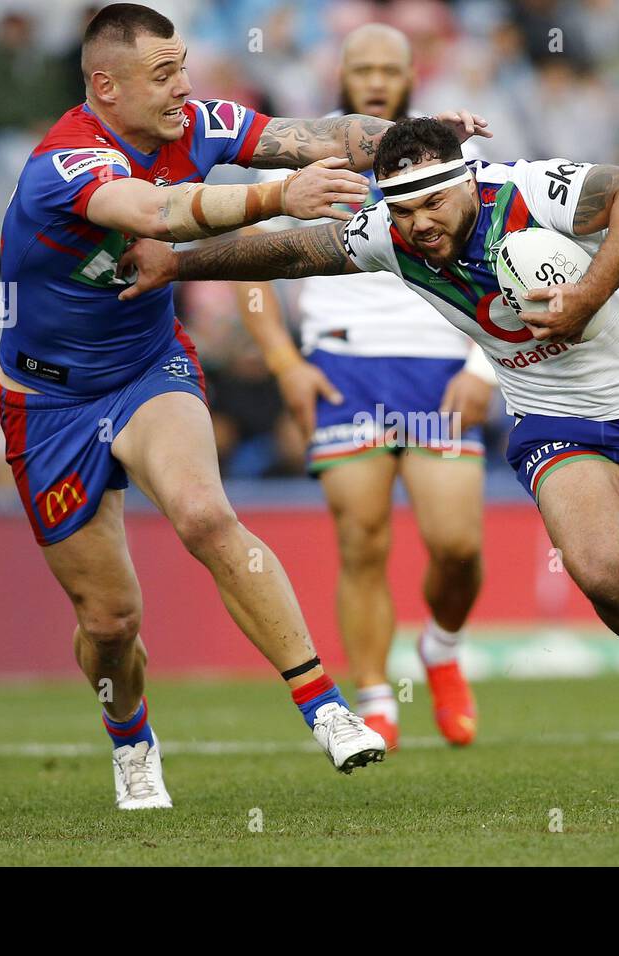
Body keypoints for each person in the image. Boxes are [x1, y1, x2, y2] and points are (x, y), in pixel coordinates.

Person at [121, 118, 619, 800]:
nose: (419, 221)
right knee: (600, 569)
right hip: (558, 420)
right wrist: (177, 263)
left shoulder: (530, 191)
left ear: (466, 180)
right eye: (403, 208)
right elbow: (290, 253)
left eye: (433, 200)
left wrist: (586, 295)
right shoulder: (391, 236)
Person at [0, 4, 490, 809]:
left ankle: (327, 708)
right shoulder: (64, 164)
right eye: (164, 75)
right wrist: (276, 199)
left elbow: (320, 133)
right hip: (46, 400)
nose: (184, 86)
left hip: (146, 368)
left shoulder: (198, 119)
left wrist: (418, 145)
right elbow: (156, 214)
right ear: (105, 86)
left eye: (184, 66)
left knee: (204, 514)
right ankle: (132, 745)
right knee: (112, 624)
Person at [235, 24, 494, 751]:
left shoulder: (455, 155)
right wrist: (285, 363)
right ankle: (376, 696)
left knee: (455, 545)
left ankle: (441, 649)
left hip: (439, 367)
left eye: (390, 68)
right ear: (341, 74)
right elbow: (248, 269)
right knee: (361, 540)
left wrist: (483, 368)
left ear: (414, 72)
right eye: (363, 68)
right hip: (344, 368)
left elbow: (501, 257)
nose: (376, 80)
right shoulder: (302, 156)